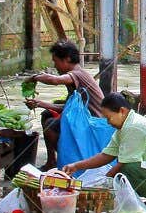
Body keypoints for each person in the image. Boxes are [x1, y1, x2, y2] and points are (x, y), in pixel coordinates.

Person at [60, 91, 146, 213]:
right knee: (125, 170)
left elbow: (125, 163)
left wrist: (103, 183)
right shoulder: (123, 128)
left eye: (109, 118)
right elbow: (106, 155)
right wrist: (76, 166)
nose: (108, 122)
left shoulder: (135, 126)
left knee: (128, 169)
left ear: (122, 111)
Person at [26, 39, 104, 169]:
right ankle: (51, 162)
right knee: (46, 115)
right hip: (81, 117)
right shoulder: (76, 76)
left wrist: (34, 77)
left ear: (67, 59)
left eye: (56, 61)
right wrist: (41, 104)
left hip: (92, 121)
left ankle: (68, 162)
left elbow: (54, 80)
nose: (55, 66)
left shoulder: (77, 74)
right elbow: (68, 107)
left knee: (50, 126)